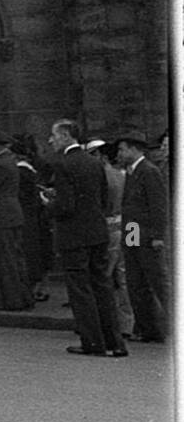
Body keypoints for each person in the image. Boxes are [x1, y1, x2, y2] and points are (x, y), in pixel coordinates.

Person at [45, 118, 127, 357]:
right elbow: (101, 198)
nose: (51, 140)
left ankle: (92, 342)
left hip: (74, 235)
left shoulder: (63, 164)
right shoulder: (94, 163)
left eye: (54, 135)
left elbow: (66, 206)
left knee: (80, 290)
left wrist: (50, 204)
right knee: (102, 286)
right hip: (96, 231)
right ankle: (115, 342)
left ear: (67, 136)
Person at [117, 130, 168, 344]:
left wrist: (158, 235)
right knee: (136, 282)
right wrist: (128, 239)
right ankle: (148, 329)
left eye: (122, 149)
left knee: (157, 281)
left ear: (133, 148)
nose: (119, 153)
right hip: (133, 230)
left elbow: (158, 206)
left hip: (146, 233)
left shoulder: (148, 171)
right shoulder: (131, 171)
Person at [0, 126, 32, 311]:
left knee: (5, 261)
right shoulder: (8, 160)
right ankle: (23, 297)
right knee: (15, 259)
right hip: (11, 215)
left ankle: (12, 300)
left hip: (1, 217)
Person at [87, 139, 133, 337]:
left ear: (100, 156)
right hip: (123, 225)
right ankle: (128, 322)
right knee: (123, 276)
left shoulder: (99, 177)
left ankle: (107, 323)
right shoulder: (122, 175)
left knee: (103, 275)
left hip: (105, 227)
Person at [14, 133, 52, 305]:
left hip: (29, 218)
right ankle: (41, 287)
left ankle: (31, 289)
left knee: (31, 253)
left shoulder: (22, 172)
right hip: (39, 217)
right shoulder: (36, 168)